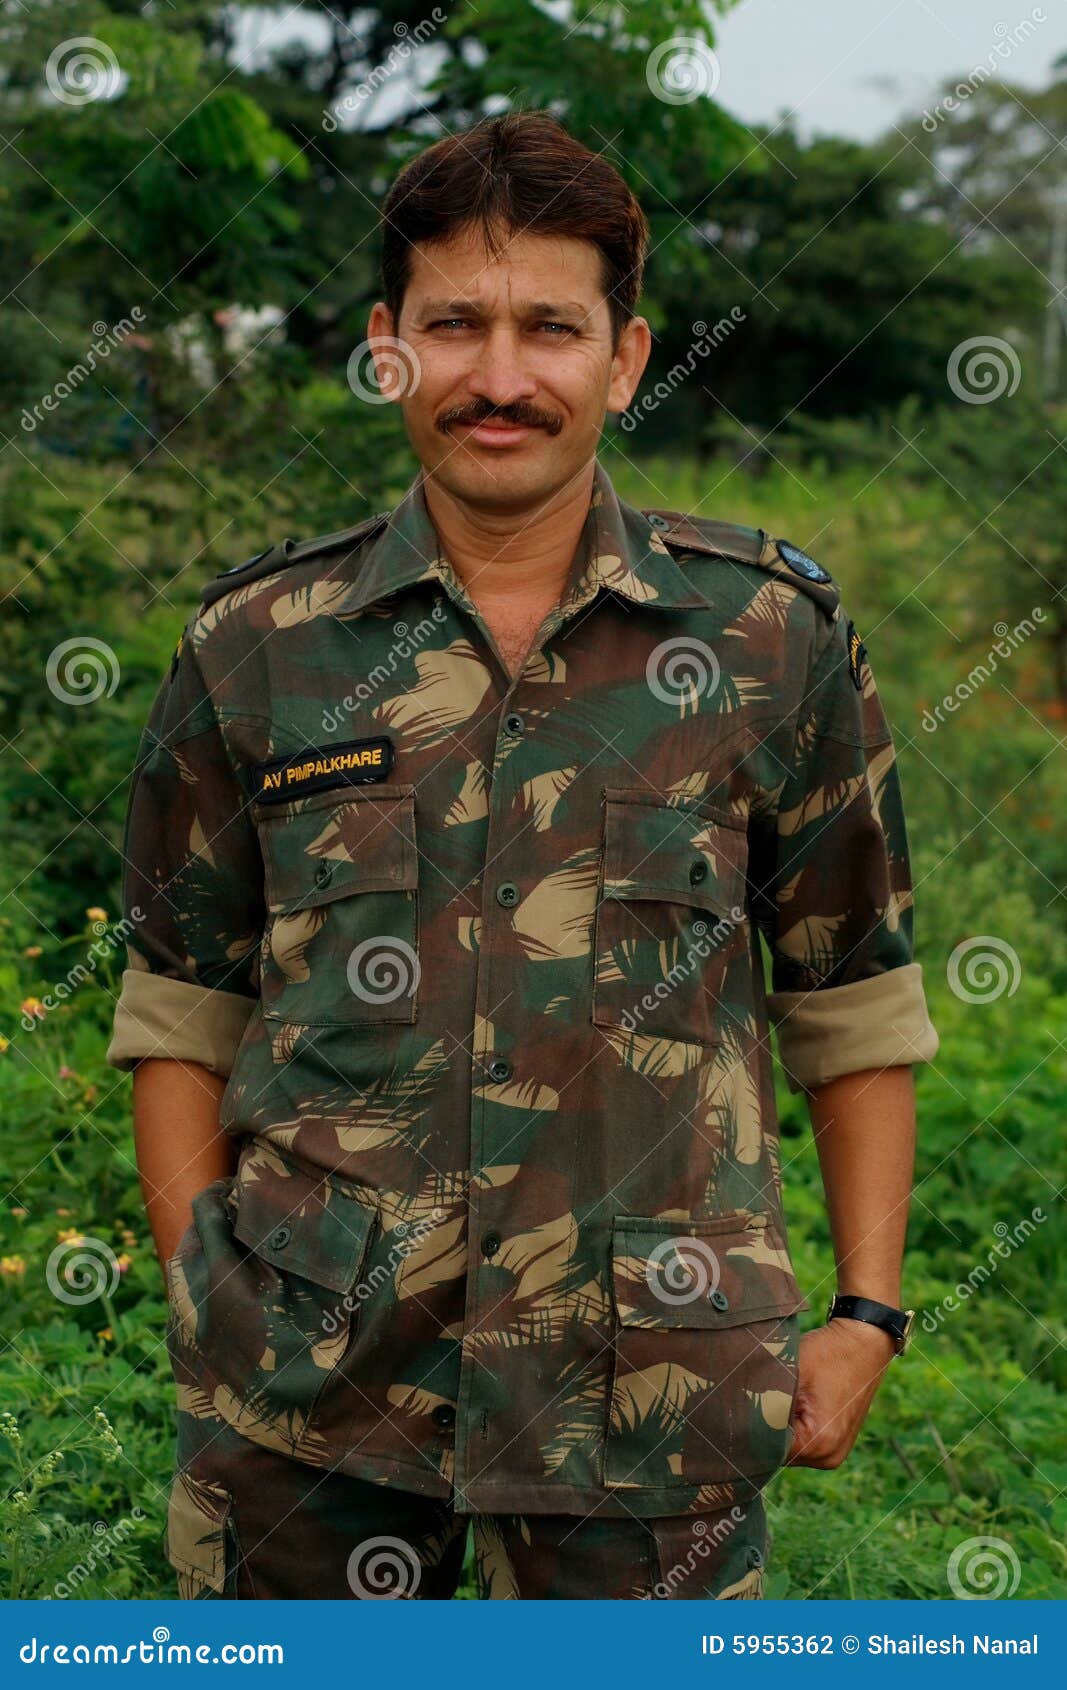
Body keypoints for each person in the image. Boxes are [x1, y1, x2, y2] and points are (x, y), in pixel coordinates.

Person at [107, 110, 938, 1601]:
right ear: (388, 350)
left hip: (652, 1415)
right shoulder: (260, 646)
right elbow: (182, 1003)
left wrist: (867, 1312)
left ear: (624, 358)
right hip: (306, 1419)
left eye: (552, 327)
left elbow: (853, 997)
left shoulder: (768, 639)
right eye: (455, 326)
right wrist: (206, 1295)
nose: (501, 377)